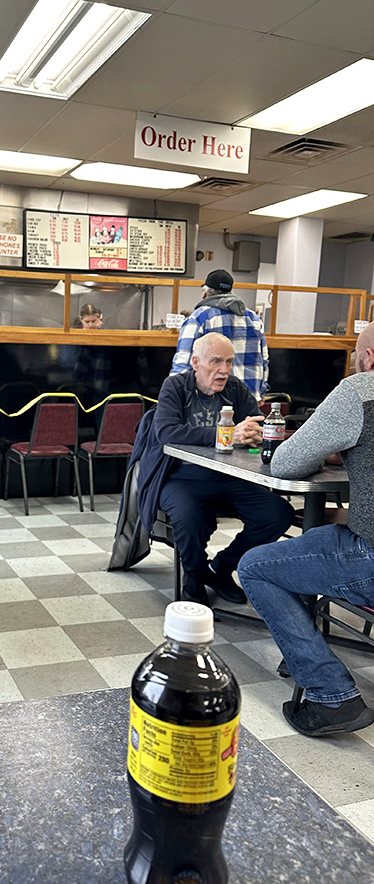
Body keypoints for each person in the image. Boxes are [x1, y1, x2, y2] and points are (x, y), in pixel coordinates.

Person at [237, 323, 374, 738]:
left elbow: (284, 464)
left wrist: (332, 444)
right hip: (357, 544)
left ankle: (331, 696)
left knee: (257, 566)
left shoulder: (359, 392)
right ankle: (298, 647)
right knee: (313, 544)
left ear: (368, 357)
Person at [132, 333, 293, 605]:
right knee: (189, 516)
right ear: (196, 362)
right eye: (216, 362)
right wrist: (225, 434)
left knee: (278, 513)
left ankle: (219, 569)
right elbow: (167, 432)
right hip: (181, 477)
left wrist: (256, 434)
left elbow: (255, 424)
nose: (224, 370)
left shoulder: (236, 389)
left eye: (229, 362)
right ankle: (193, 577)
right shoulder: (175, 387)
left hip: (230, 477)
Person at [170, 269, 269, 399]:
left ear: (205, 294)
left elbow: (183, 363)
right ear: (231, 292)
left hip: (213, 402)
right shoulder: (253, 318)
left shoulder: (199, 318)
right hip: (249, 400)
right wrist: (260, 393)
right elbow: (264, 361)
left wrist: (173, 395)